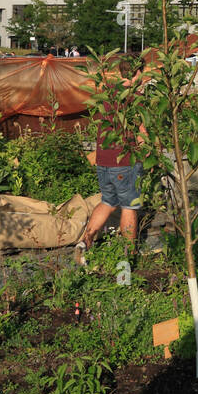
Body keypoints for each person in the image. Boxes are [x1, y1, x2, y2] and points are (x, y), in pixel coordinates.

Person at [76, 59, 146, 264]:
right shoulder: (135, 98)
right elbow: (142, 131)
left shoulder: (107, 94)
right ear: (137, 72)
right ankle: (128, 258)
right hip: (124, 160)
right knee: (129, 206)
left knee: (108, 201)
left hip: (103, 160)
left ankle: (84, 243)